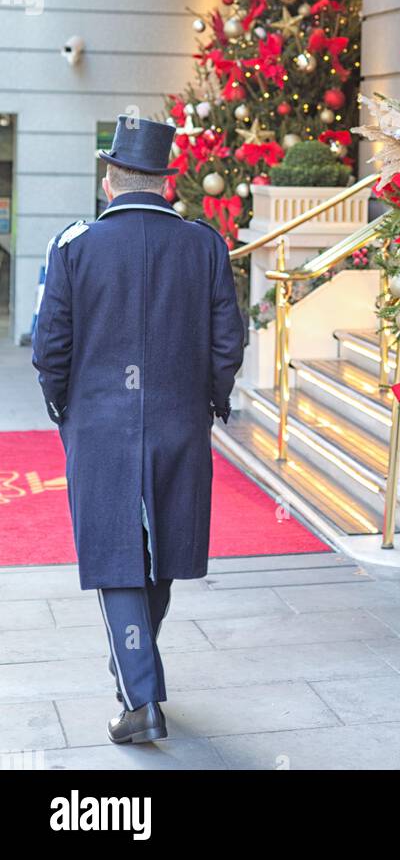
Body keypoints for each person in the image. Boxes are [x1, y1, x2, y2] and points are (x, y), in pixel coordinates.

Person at [32, 114, 246, 745]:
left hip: (100, 422)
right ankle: (138, 667)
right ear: (166, 183)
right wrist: (211, 401)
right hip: (180, 418)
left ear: (109, 181)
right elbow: (227, 343)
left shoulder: (75, 245)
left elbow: (51, 349)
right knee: (161, 549)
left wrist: (62, 408)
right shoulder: (205, 244)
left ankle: (140, 697)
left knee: (115, 555)